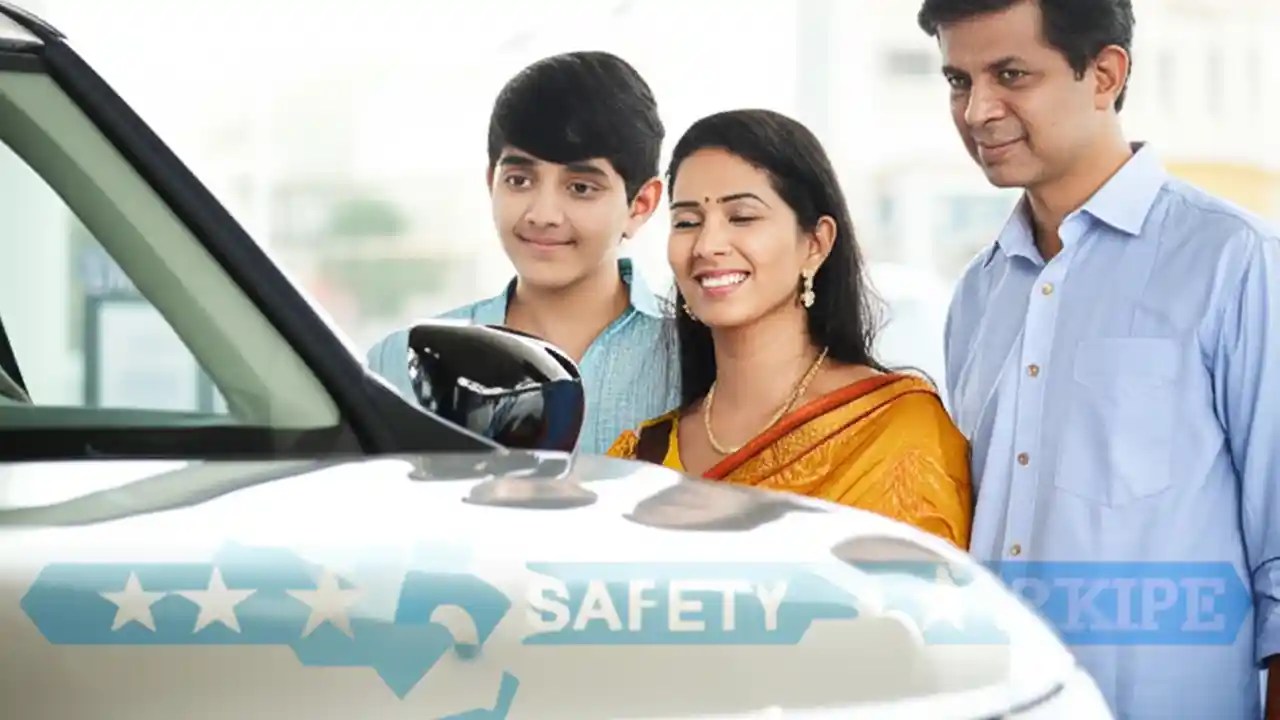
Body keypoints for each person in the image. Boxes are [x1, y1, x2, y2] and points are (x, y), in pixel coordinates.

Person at [918, 0, 1280, 717]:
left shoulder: (1233, 260)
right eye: (958, 81)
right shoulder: (978, 291)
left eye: (1011, 74)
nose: (978, 110)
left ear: (1105, 73)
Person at [607, 109, 972, 549]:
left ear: (816, 243)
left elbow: (919, 609)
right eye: (687, 222)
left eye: (741, 217)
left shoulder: (892, 429)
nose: (707, 245)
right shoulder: (641, 456)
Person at [367, 51, 680, 455]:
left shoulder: (695, 360)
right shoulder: (399, 362)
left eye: (581, 187)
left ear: (641, 205)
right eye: (519, 180)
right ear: (490, 182)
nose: (542, 214)